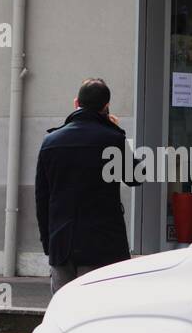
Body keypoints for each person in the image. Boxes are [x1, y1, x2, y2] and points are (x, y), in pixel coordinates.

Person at [35, 78, 131, 295]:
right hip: (102, 246)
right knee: (98, 308)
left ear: (76, 103)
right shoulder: (112, 138)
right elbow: (135, 177)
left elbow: (42, 198)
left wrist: (49, 244)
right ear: (106, 107)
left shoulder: (50, 142)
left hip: (62, 246)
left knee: (64, 308)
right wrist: (116, 131)